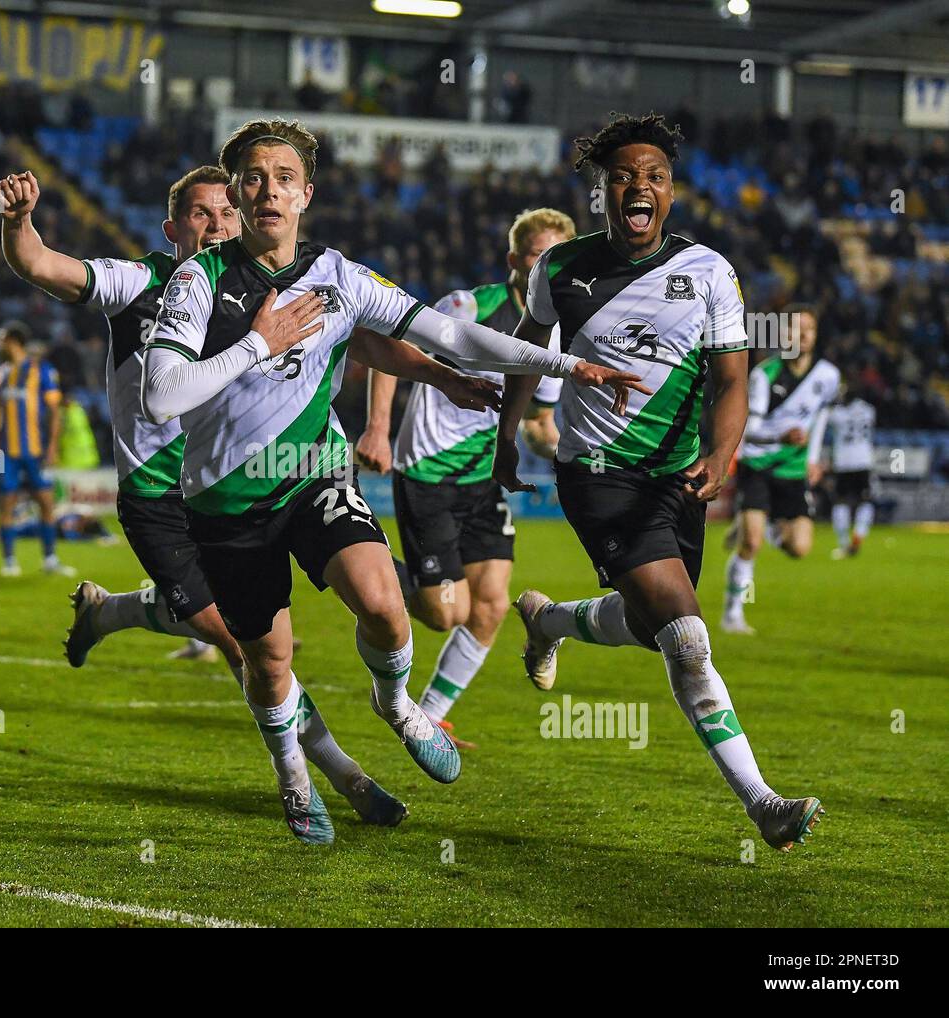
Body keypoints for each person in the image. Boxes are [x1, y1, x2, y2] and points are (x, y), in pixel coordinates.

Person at [140, 118, 643, 843]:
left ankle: (399, 705)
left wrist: (568, 366)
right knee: (269, 658)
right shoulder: (200, 279)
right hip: (224, 500)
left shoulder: (339, 277)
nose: (268, 191)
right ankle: (293, 776)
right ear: (238, 192)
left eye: (284, 178)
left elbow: (450, 334)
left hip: (312, 474)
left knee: (384, 604)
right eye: (254, 178)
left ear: (306, 194)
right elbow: (163, 395)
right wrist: (261, 341)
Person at [493, 113, 824, 852]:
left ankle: (548, 621)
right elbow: (526, 346)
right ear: (601, 192)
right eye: (622, 177)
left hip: (678, 481)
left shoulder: (709, 272)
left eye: (655, 177)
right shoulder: (563, 268)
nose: (638, 187)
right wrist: (507, 434)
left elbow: (732, 378)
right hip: (598, 475)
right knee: (686, 636)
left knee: (651, 629)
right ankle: (763, 802)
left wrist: (724, 452)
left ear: (670, 193)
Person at [355, 207, 576, 743]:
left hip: (481, 481)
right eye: (536, 256)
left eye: (556, 257)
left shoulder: (557, 336)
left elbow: (537, 423)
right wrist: (378, 428)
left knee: (494, 604)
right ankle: (365, 572)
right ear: (513, 262)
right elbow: (393, 348)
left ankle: (428, 715)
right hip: (427, 474)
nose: (546, 265)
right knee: (445, 614)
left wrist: (573, 450)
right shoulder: (469, 307)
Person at [722, 306, 839, 633]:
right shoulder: (764, 375)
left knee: (799, 548)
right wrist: (780, 436)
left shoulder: (827, 376)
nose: (802, 335)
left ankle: (765, 524)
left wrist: (814, 458)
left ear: (816, 335)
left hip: (793, 469)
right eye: (795, 329)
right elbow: (749, 430)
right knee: (752, 545)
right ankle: (734, 613)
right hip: (758, 463)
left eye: (809, 329)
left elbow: (821, 419)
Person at [0, 321, 76, 578]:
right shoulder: (0, 374)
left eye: (0, 339)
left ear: (13, 341)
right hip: (5, 453)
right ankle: (9, 561)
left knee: (46, 502)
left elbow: (54, 412)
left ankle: (50, 559)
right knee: (5, 503)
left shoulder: (42, 371)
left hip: (36, 451)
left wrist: (52, 446)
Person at [826, 384, 877, 559]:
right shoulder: (869, 411)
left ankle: (844, 543)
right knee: (865, 500)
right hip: (864, 460)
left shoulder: (837, 414)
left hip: (843, 462)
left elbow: (827, 416)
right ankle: (859, 536)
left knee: (840, 501)